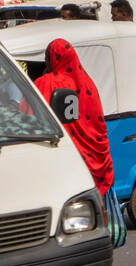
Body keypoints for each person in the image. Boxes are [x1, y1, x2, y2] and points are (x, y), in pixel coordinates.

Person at [34, 39, 113, 196]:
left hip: (65, 161)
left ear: (54, 60)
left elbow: (26, 112)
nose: (46, 64)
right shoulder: (88, 83)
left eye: (47, 59)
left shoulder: (47, 82)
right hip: (97, 161)